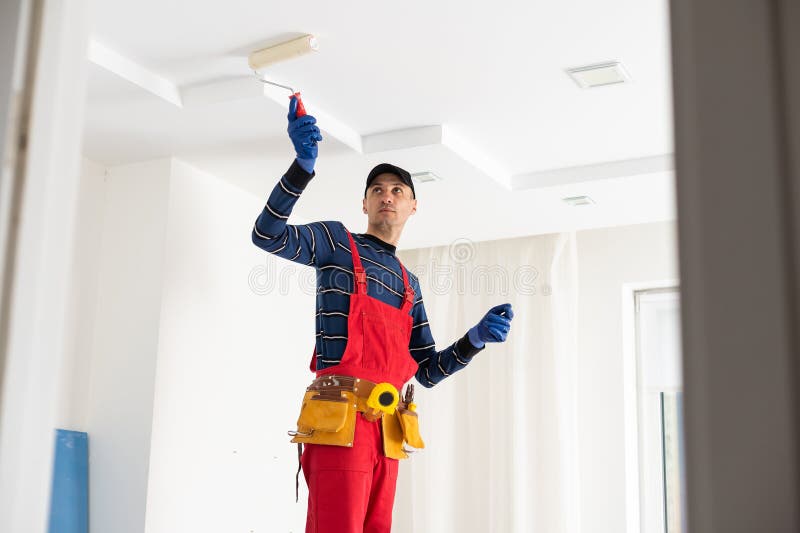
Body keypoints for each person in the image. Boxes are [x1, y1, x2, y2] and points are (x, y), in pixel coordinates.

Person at [251, 95, 514, 533]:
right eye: (377, 190)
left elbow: (426, 372)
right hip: (339, 418)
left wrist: (474, 339)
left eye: (397, 191)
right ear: (365, 204)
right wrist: (302, 167)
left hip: (388, 430)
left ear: (413, 206)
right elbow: (267, 235)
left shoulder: (410, 284)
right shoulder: (336, 244)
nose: (386, 197)